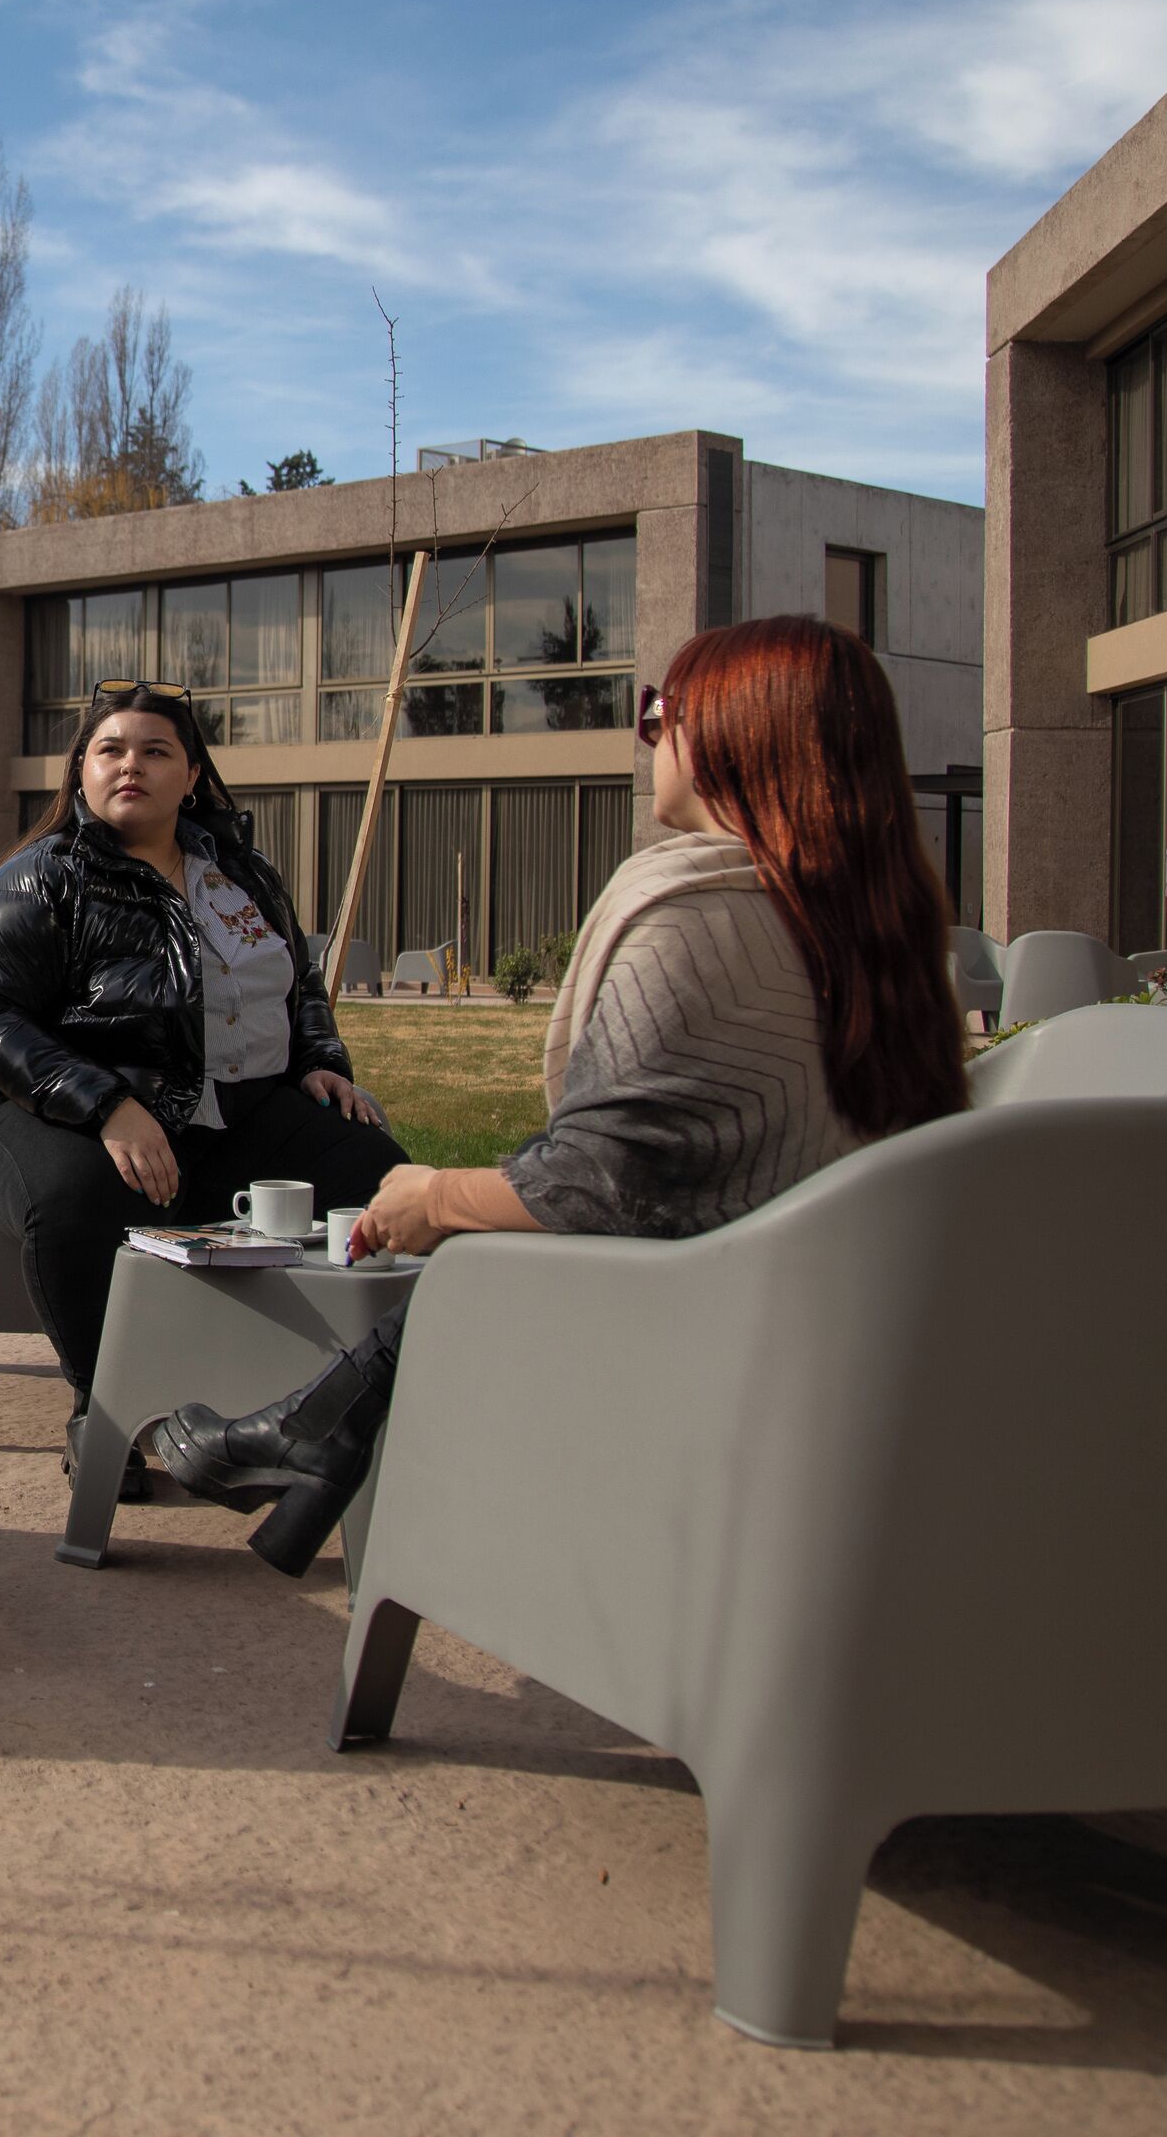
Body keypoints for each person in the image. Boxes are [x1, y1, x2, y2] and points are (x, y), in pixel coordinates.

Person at [150, 615, 971, 1573]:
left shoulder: (698, 918)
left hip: (701, 1360)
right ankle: (317, 1431)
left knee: (476, 1247)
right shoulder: (883, 926)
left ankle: (318, 1437)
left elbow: (604, 1186)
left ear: (735, 736)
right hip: (842, 1338)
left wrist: (435, 1198)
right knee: (482, 1231)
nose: (650, 737)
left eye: (660, 713)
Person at [0, 680, 409, 1493]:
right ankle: (104, 1409)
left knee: (383, 1180)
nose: (131, 765)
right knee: (80, 1198)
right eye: (110, 750)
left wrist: (320, 1061)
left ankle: (328, 1408)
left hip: (228, 1110)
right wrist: (106, 1105)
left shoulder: (243, 874)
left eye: (156, 751)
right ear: (81, 772)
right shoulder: (41, 878)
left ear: (192, 775)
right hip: (46, 1109)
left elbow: (298, 985)